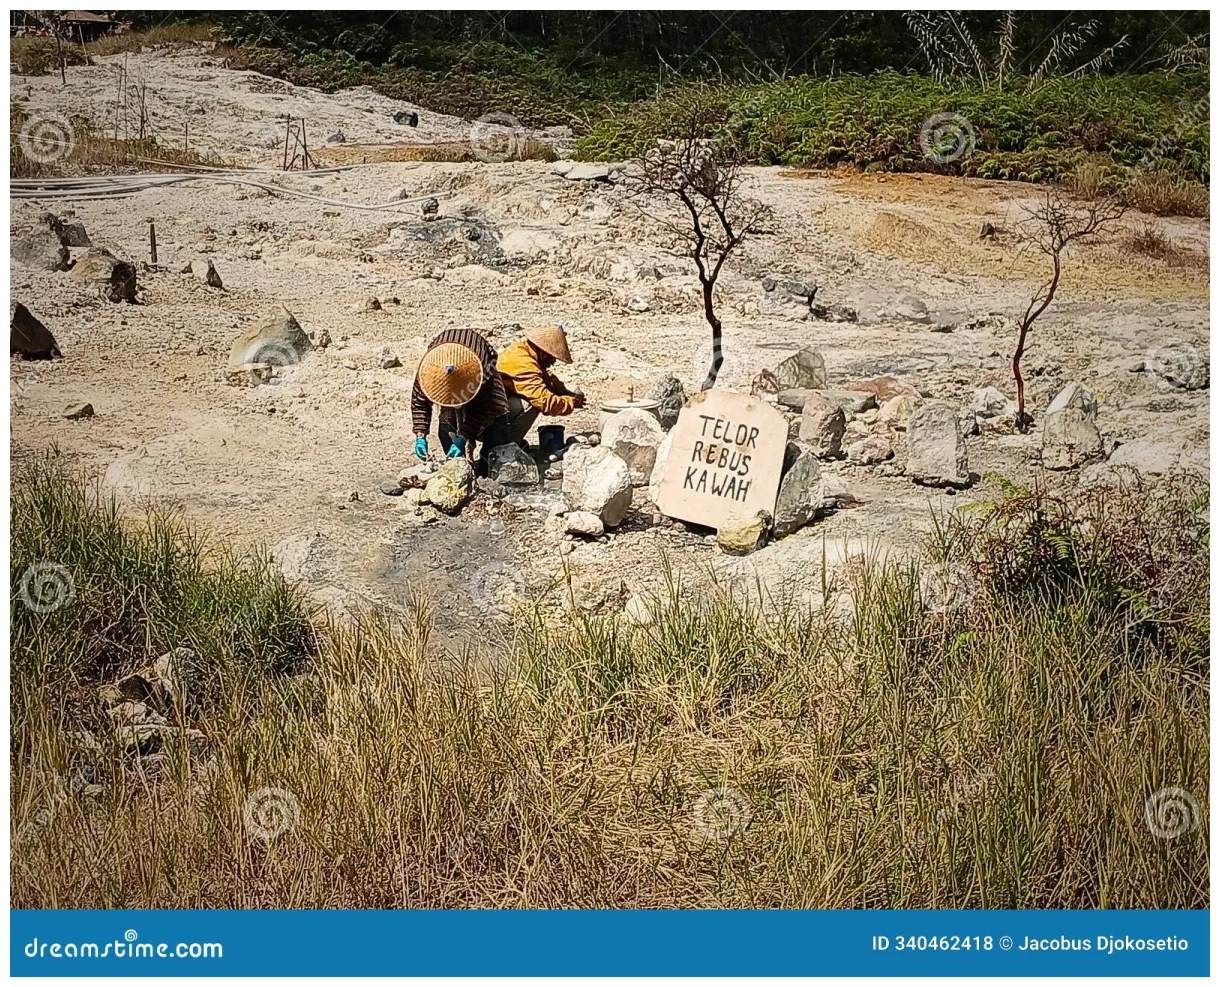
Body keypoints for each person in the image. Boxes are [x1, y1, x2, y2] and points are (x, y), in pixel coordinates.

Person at [411, 327, 508, 461]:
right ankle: (456, 461)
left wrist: (463, 438)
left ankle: (488, 462)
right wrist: (420, 436)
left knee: (495, 418)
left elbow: (480, 410)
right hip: (442, 364)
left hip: (482, 368)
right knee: (447, 423)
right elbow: (419, 403)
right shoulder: (427, 373)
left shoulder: (483, 374)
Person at [490, 324, 585, 448]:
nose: (553, 363)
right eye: (553, 358)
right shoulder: (524, 364)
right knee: (532, 405)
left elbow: (545, 377)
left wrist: (565, 392)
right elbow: (545, 402)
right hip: (485, 419)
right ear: (544, 353)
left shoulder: (522, 350)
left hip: (493, 406)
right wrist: (571, 402)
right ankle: (505, 445)